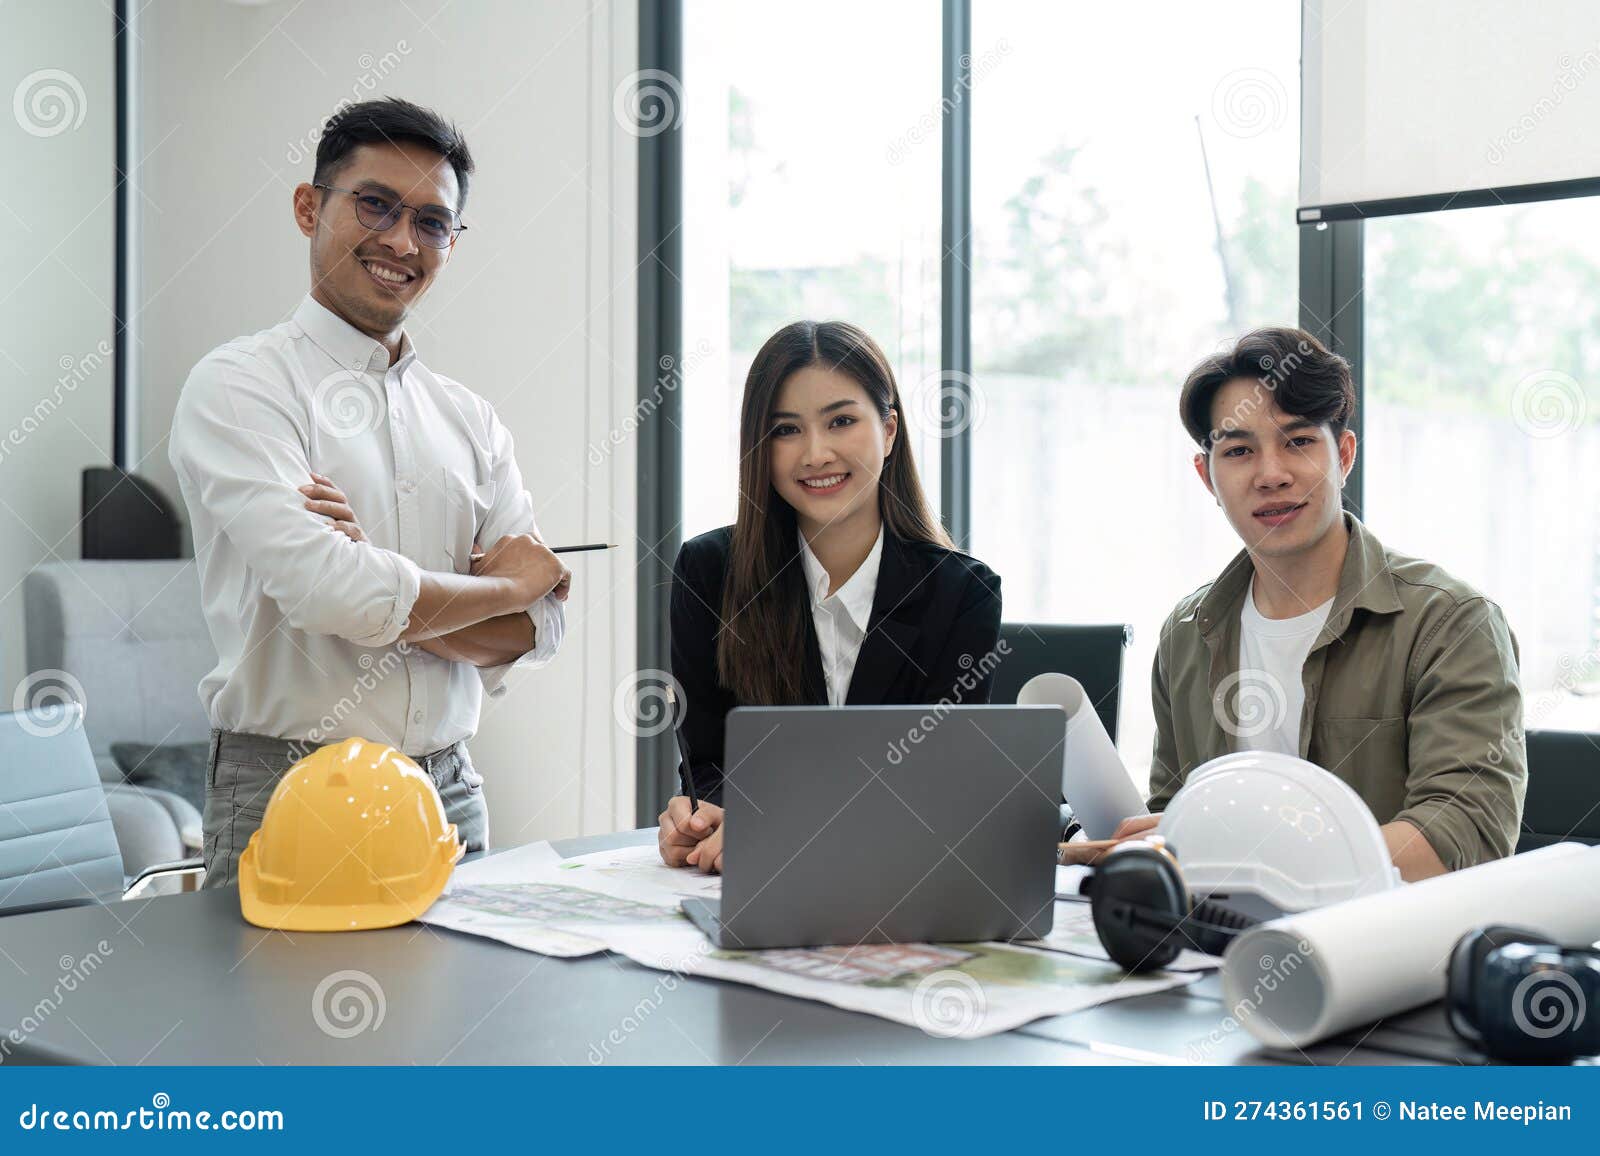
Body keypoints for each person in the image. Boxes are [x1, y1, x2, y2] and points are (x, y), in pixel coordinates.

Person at [169, 98, 570, 886]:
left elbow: (538, 628)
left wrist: (388, 589)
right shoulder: (240, 386)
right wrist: (500, 587)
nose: (400, 240)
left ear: (452, 244)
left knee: (465, 1016)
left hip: (449, 792)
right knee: (271, 1014)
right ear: (308, 206)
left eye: (431, 221)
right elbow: (334, 599)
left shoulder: (470, 419)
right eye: (376, 205)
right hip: (290, 788)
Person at [1098, 327, 1525, 880]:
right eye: (1239, 451)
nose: (1271, 475)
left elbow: (1464, 832)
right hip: (1211, 945)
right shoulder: (1187, 631)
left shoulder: (1451, 623)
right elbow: (1172, 814)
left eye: (1298, 442)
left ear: (1343, 455)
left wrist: (1251, 853)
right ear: (1207, 476)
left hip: (1386, 952)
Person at [657, 321, 1003, 873]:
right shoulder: (709, 572)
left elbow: (937, 788)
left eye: (841, 421)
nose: (815, 454)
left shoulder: (962, 594)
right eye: (785, 431)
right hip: (747, 886)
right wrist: (702, 818)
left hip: (899, 885)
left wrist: (777, 824)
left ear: (889, 431)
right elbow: (708, 761)